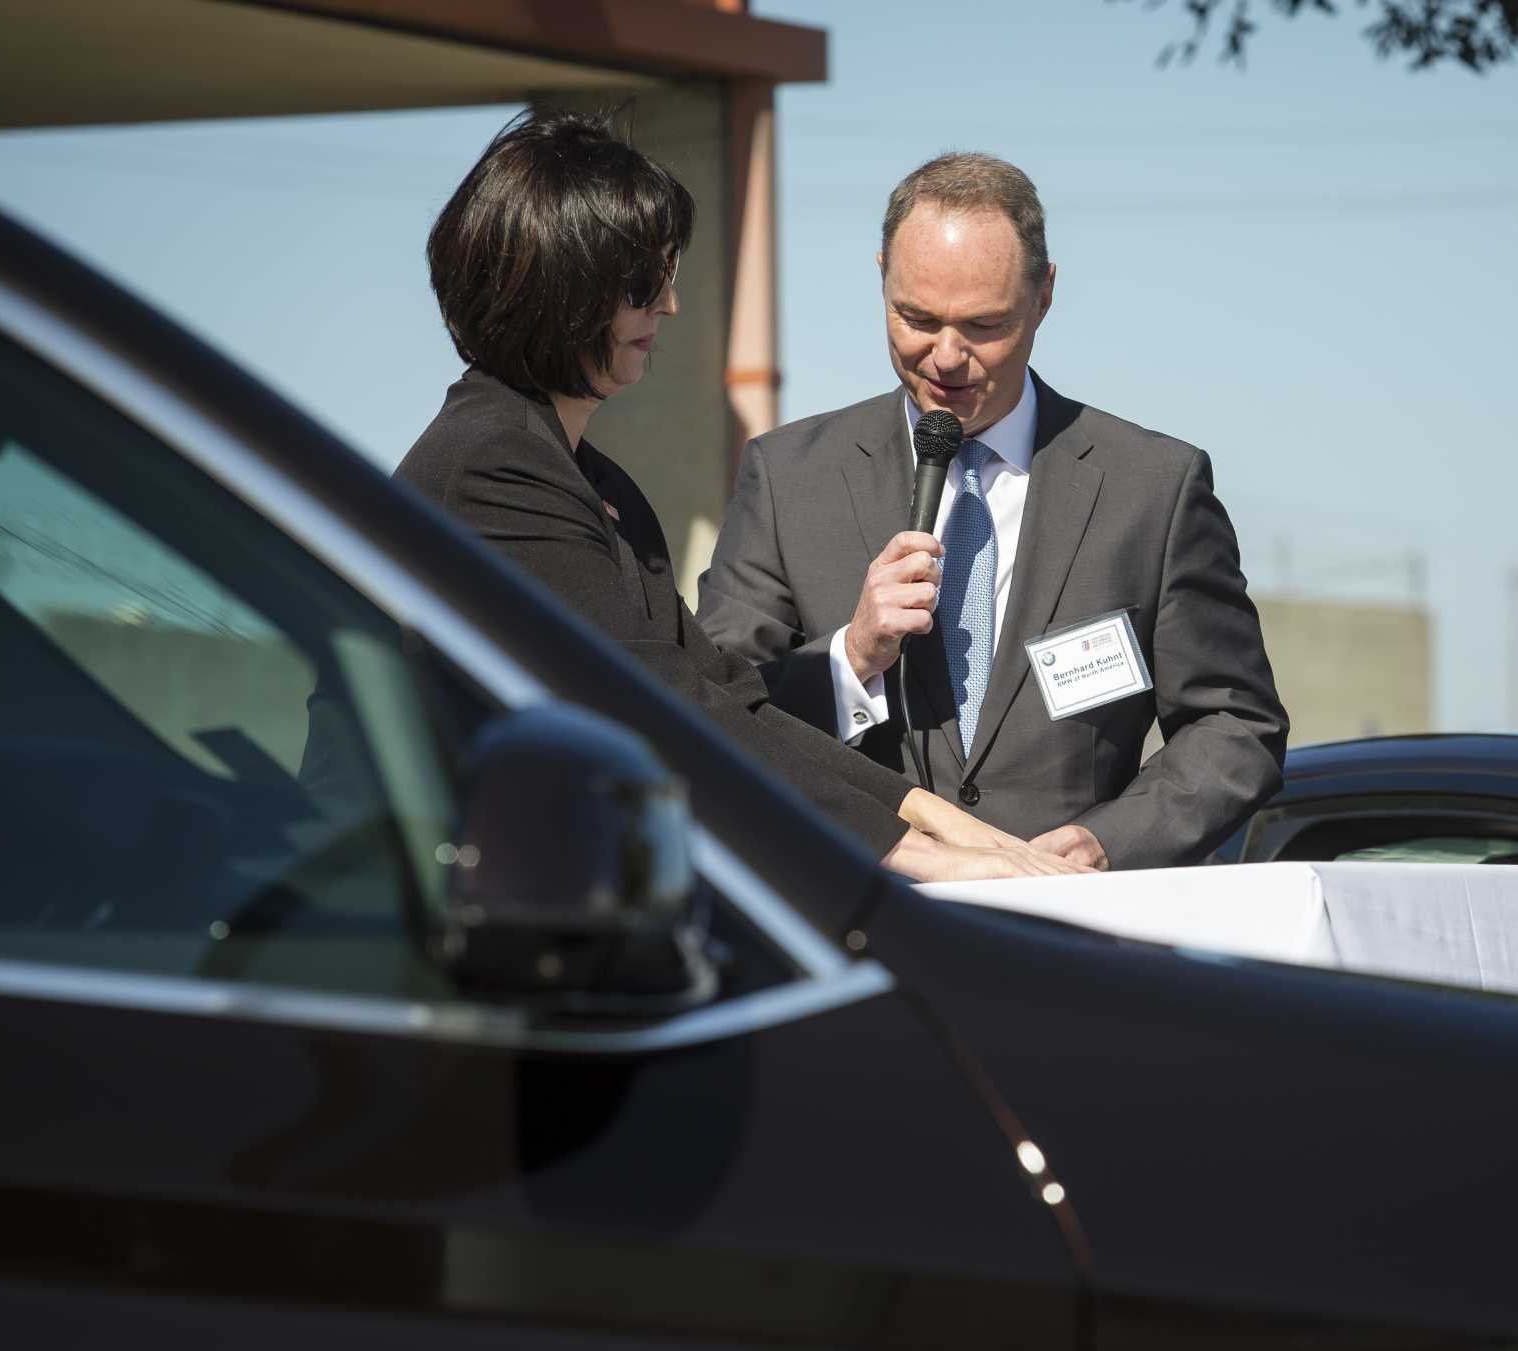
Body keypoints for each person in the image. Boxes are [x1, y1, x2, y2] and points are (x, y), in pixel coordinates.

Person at [399, 112, 1083, 882]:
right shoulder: (496, 469)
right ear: (560, 292)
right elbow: (661, 715)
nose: (669, 305)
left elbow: (726, 701)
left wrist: (955, 829)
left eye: (667, 274)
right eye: (641, 284)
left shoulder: (592, 479)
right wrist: (921, 858)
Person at [696, 153, 1288, 871]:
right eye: (915, 317)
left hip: (1070, 933)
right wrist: (853, 658)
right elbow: (713, 710)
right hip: (856, 926)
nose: (945, 357)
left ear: (1043, 297)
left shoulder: (1152, 488)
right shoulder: (790, 477)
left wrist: (1110, 841)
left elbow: (1234, 725)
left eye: (983, 325)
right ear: (882, 274)